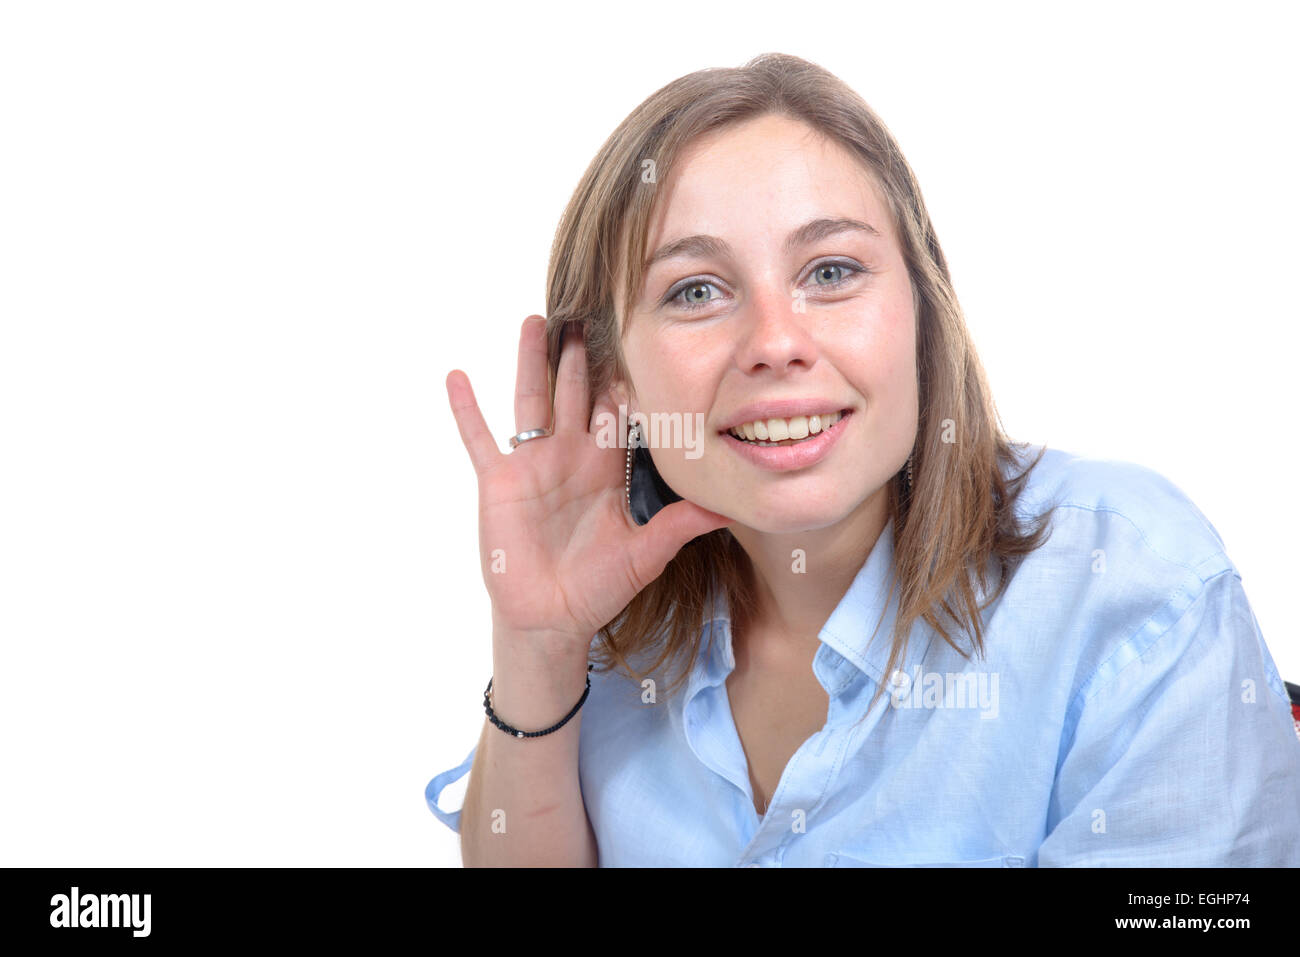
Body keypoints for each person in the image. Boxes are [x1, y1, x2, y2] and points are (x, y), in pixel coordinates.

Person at [425, 53, 1300, 867]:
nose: (775, 340)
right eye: (696, 290)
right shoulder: (611, 634)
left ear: (921, 315)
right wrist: (538, 648)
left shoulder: (1132, 589)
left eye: (833, 271)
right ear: (611, 382)